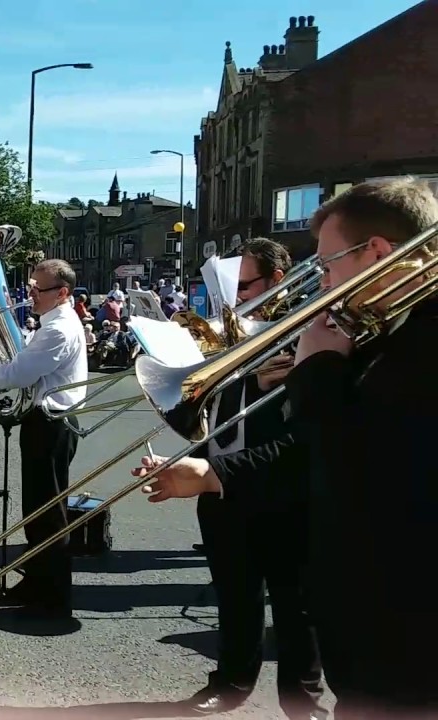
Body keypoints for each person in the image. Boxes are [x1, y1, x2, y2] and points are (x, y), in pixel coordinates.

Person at [137, 177, 438, 719]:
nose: (320, 281)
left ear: (376, 253)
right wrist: (213, 473)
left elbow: (359, 462)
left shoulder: (417, 340)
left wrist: (317, 371)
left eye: (326, 264)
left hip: (404, 633)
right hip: (372, 627)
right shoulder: (375, 333)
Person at [182, 238, 324, 719]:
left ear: (277, 280)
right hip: (220, 481)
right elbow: (201, 400)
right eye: (230, 285)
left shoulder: (305, 328)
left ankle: (301, 700)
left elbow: (304, 419)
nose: (236, 296)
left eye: (245, 285)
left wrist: (265, 380)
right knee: (234, 593)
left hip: (276, 484)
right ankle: (231, 681)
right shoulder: (228, 330)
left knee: (292, 601)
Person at [0, 258, 87, 619]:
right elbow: (28, 352)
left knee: (47, 511)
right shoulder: (52, 323)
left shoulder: (59, 328)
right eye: (30, 286)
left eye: (38, 288)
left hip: (51, 422)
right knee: (38, 509)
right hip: (45, 421)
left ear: (62, 293)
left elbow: (18, 373)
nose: (29, 293)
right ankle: (39, 581)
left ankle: (51, 592)